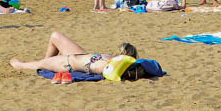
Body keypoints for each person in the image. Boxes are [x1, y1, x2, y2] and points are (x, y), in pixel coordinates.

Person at [9, 31, 139, 77]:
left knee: (28, 65)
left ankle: (22, 65)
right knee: (55, 36)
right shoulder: (111, 58)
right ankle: (45, 64)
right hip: (80, 54)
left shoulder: (109, 67)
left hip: (68, 63)